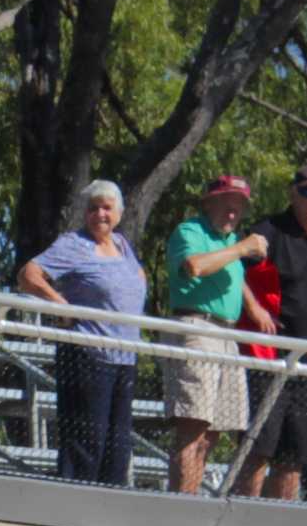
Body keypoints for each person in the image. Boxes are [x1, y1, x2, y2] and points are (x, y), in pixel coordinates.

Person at [14, 180, 150, 487]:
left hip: (124, 358)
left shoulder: (123, 246)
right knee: (87, 442)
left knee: (118, 448)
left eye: (106, 207)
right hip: (88, 355)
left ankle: (108, 506)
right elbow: (29, 274)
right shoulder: (74, 244)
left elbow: (138, 277)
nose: (99, 214)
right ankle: (73, 502)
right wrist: (61, 304)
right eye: (93, 208)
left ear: (119, 212)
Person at [162, 175, 278, 494]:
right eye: (227, 201)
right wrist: (242, 248)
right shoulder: (191, 231)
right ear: (208, 201)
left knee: (214, 432)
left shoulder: (229, 242)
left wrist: (254, 308)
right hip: (197, 328)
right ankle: (180, 508)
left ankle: (193, 503)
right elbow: (195, 266)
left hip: (227, 335)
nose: (233, 210)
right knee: (193, 427)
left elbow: (233, 276)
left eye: (239, 204)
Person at [242, 164, 307, 501]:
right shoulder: (268, 230)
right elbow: (233, 269)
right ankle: (243, 515)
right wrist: (255, 309)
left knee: (295, 453)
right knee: (259, 447)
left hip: (306, 362)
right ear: (293, 193)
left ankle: (279, 522)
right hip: (268, 358)